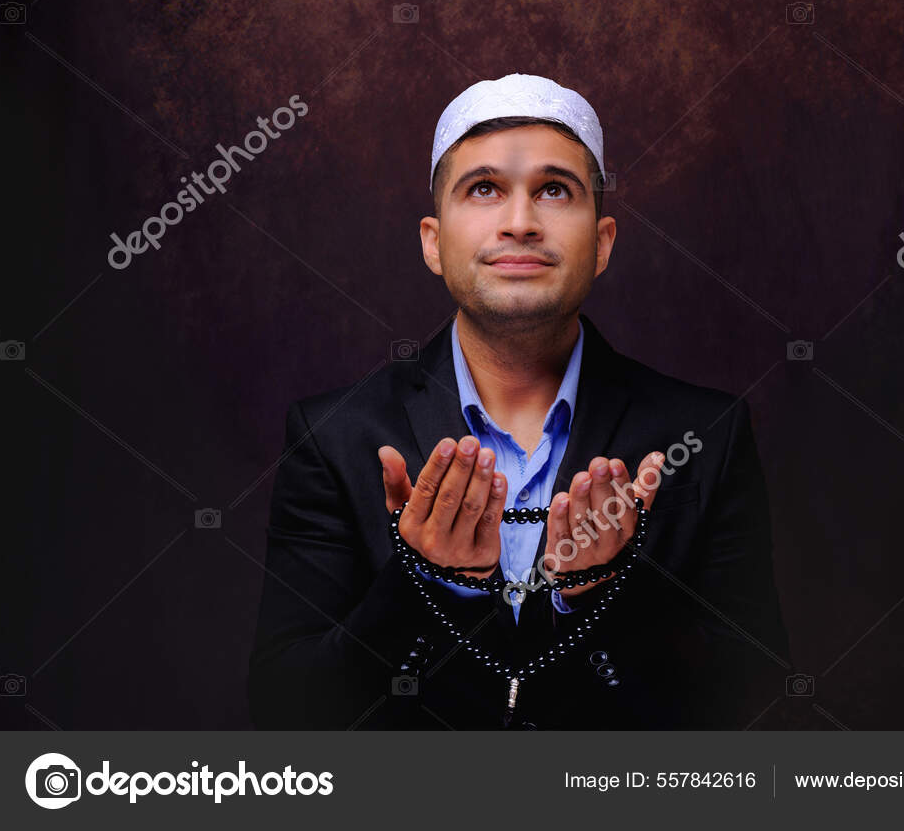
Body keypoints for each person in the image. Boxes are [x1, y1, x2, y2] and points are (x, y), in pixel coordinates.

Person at [247, 73, 790, 730]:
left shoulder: (704, 432)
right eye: (483, 189)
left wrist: (600, 593)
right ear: (431, 241)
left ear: (602, 242)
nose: (520, 222)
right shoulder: (334, 433)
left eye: (554, 190)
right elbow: (287, 711)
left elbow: (757, 705)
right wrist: (422, 581)